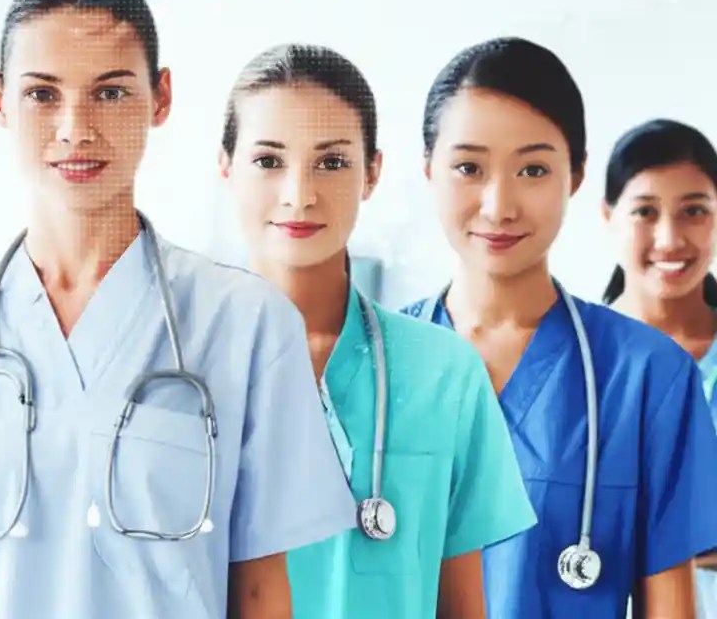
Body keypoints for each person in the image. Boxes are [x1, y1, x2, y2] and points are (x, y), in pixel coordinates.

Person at [0, 0, 356, 619]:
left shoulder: (246, 325)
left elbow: (259, 590)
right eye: (43, 95)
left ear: (160, 98)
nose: (75, 128)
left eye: (110, 93)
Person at [217, 42, 538, 618]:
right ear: (226, 168)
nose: (300, 193)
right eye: (269, 161)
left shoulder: (445, 374)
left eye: (332, 161)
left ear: (372, 173)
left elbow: (462, 606)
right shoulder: (175, 368)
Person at [402, 36, 717, 618]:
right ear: (429, 171)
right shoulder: (372, 366)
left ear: (574, 176)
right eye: (469, 167)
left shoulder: (647, 377)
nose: (499, 205)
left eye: (533, 169)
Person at [600, 117, 717, 616]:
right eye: (645, 211)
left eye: (694, 210)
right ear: (608, 216)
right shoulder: (574, 359)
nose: (669, 240)